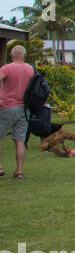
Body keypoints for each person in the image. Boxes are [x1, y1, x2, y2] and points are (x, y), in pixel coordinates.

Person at [0, 44, 36, 179]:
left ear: (11, 54)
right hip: (24, 109)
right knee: (20, 140)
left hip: (7, 107)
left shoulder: (7, 68)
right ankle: (19, 170)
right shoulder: (30, 69)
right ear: (24, 55)